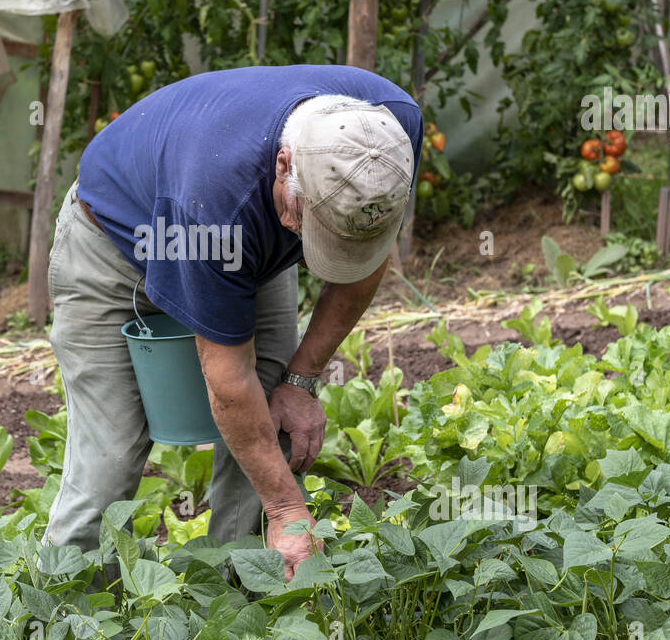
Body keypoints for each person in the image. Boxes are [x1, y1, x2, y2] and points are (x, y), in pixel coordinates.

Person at [43, 63, 422, 580]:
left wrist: (300, 380)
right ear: (284, 166)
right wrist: (290, 512)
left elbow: (364, 256)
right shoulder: (215, 202)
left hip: (247, 244)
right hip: (115, 249)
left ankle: (239, 604)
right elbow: (229, 386)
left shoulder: (389, 134)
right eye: (314, 229)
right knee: (107, 462)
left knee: (272, 420)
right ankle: (63, 621)